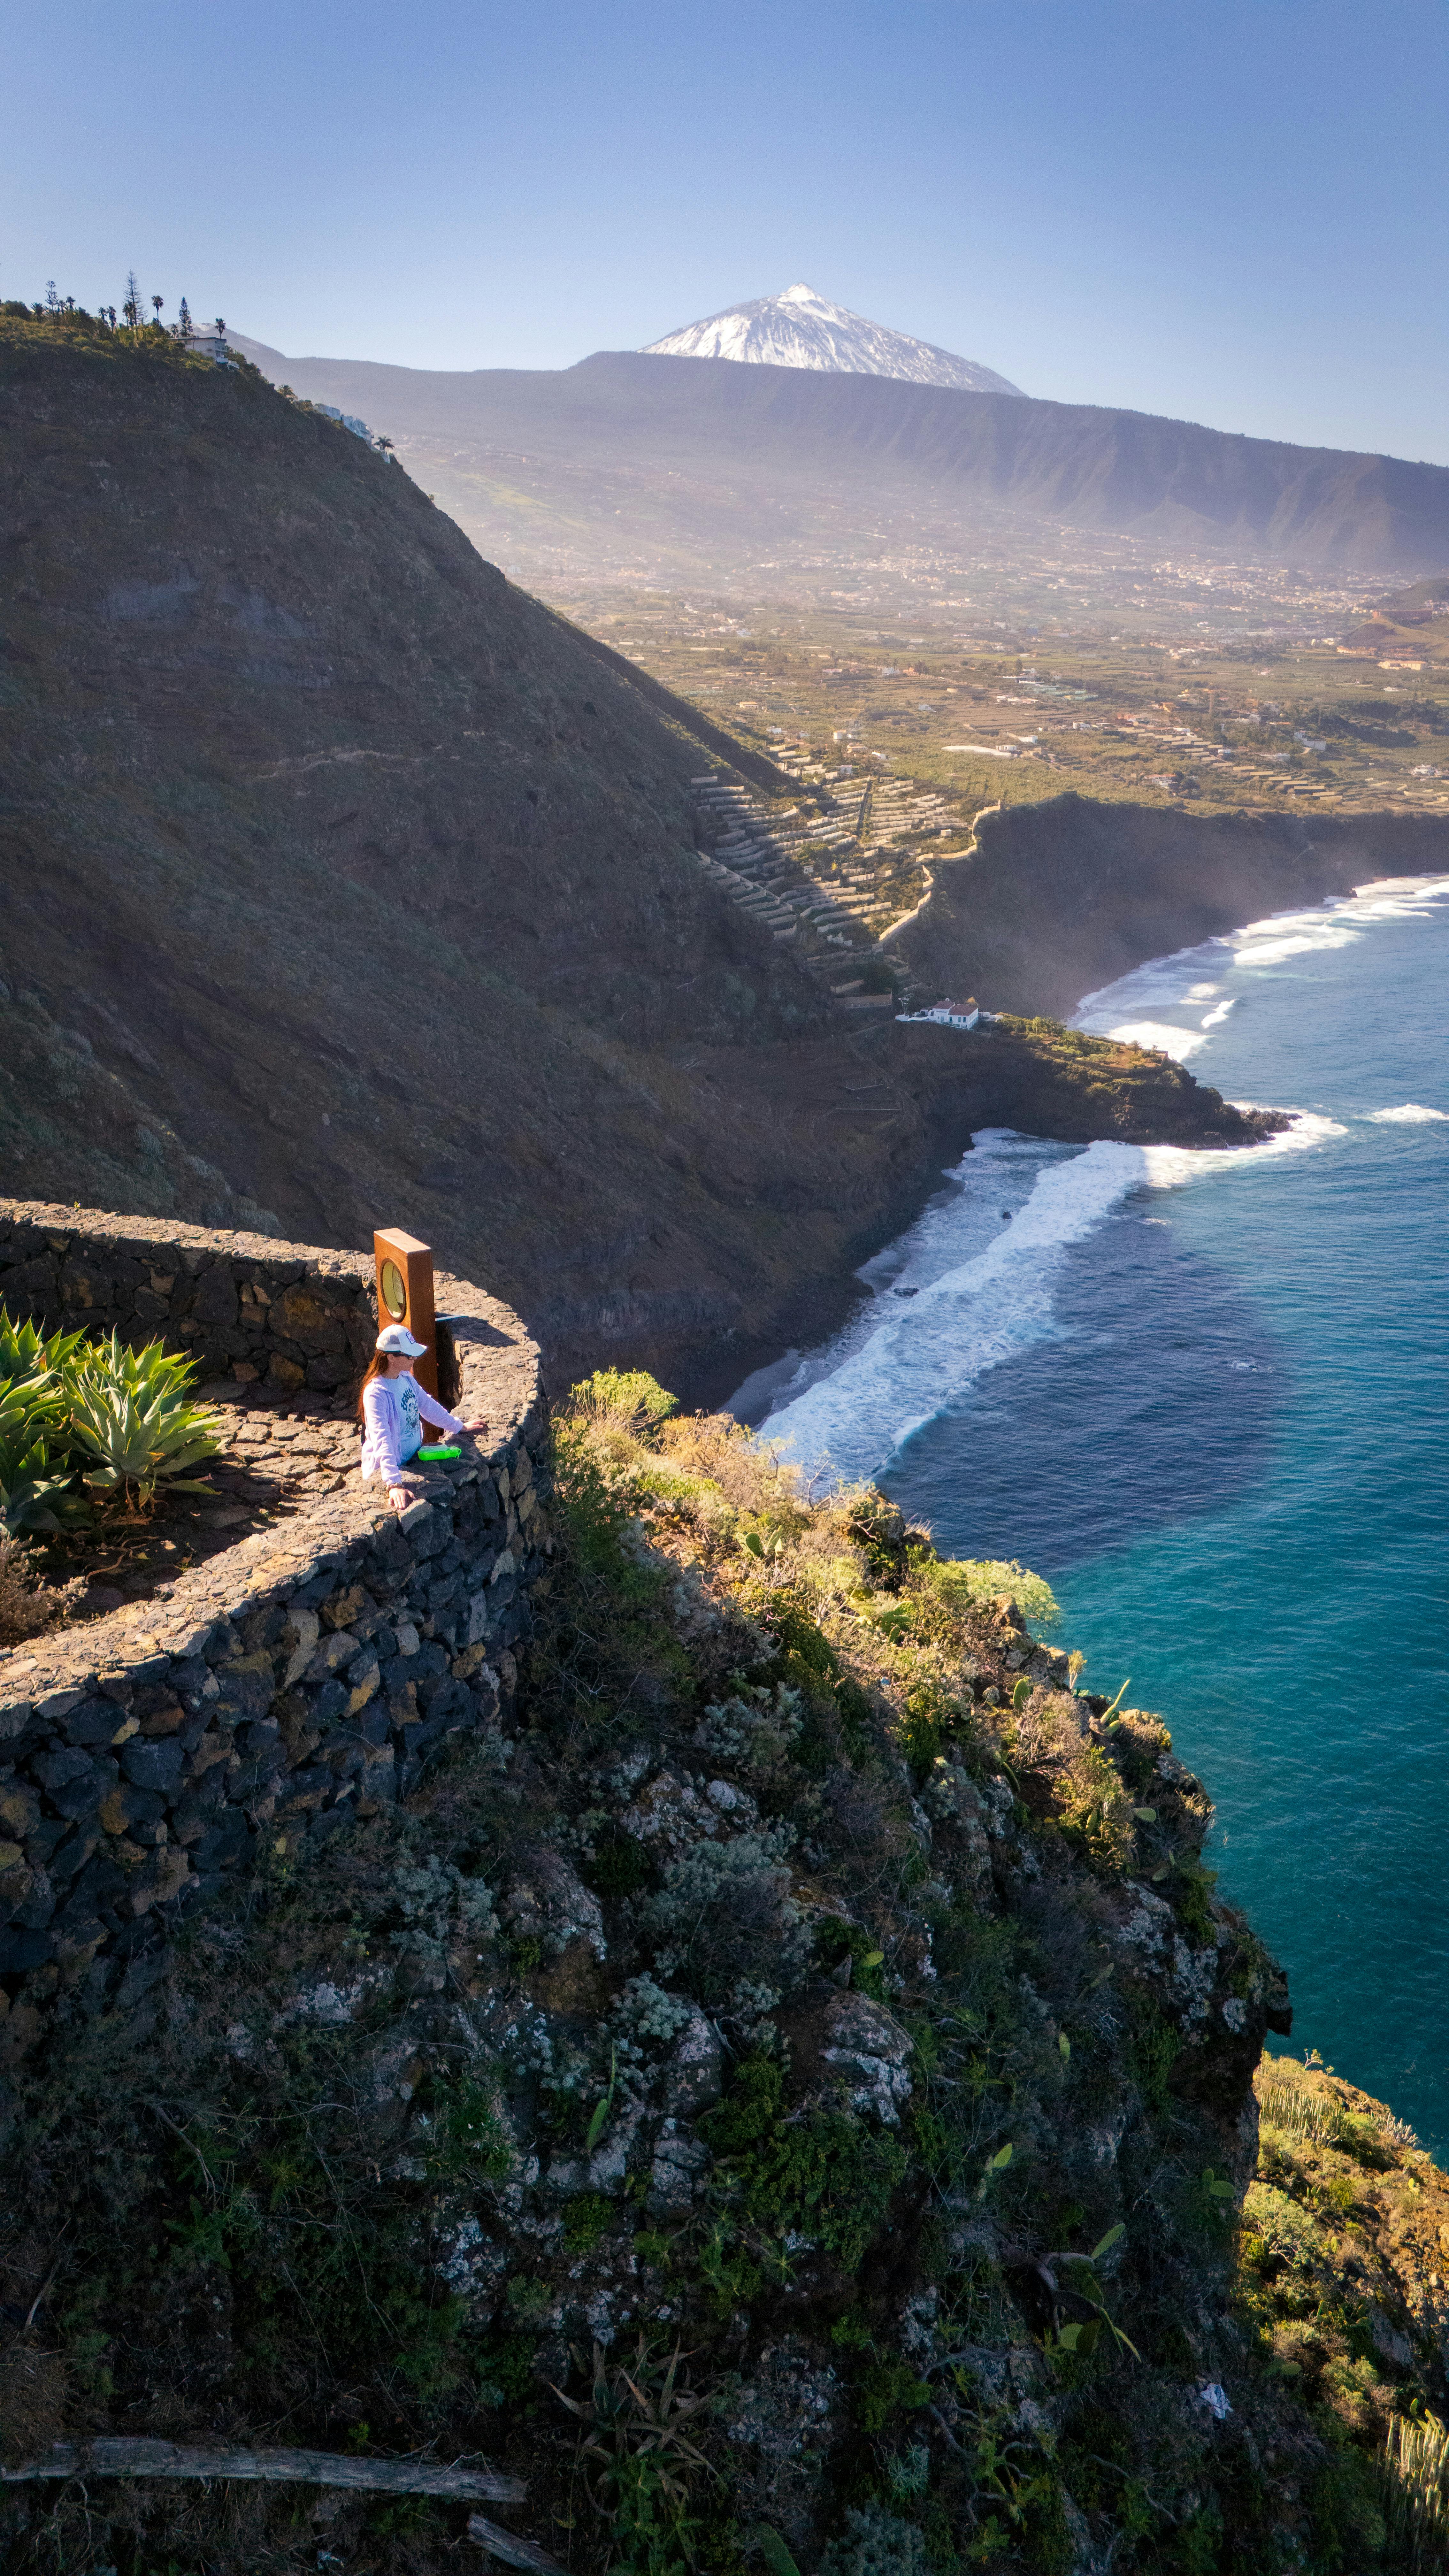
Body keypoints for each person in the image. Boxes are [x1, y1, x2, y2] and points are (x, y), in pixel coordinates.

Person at [357, 1324, 489, 1514]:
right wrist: (394, 1483)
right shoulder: (376, 1393)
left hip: (412, 1458)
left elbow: (427, 1406)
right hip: (391, 1467)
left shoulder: (406, 1378)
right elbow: (381, 1437)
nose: (415, 1359)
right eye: (409, 1356)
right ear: (391, 1357)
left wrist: (459, 1427)